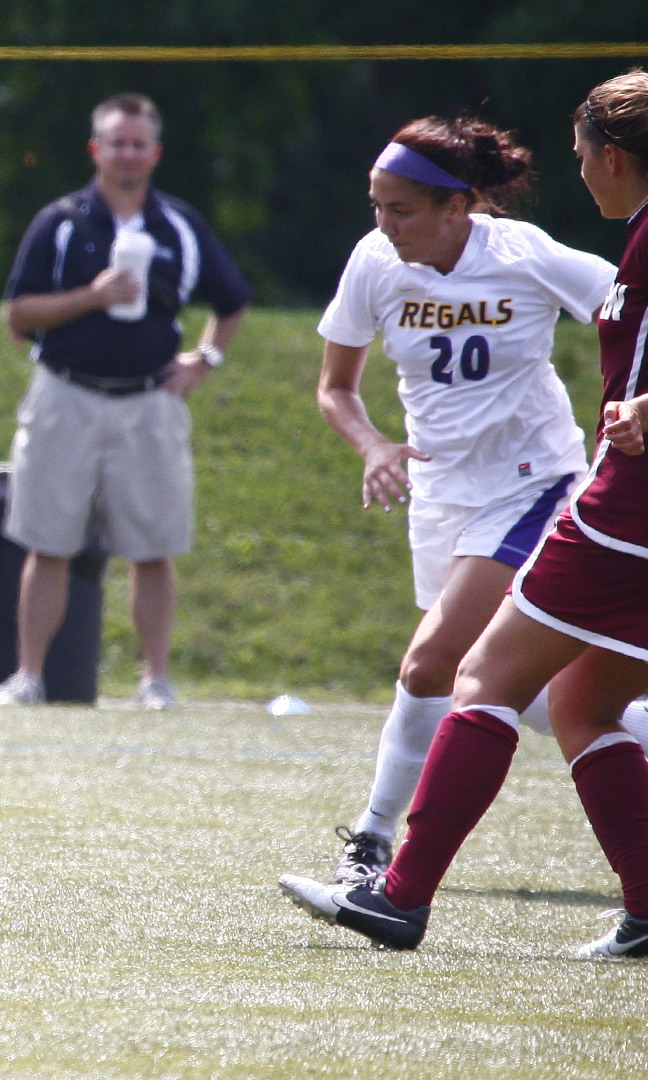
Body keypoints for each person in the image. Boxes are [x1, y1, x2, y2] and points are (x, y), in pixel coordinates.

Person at [280, 70, 648, 958]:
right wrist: (375, 447)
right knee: (578, 701)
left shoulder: (540, 252)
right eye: (375, 206)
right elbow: (334, 386)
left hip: (560, 494)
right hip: (446, 496)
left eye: (400, 208)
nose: (383, 225)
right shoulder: (377, 264)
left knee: (459, 671)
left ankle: (390, 878)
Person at [0, 93, 251, 709]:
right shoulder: (60, 222)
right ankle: (28, 677)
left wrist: (204, 359)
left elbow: (232, 300)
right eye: (116, 142)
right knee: (47, 541)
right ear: (95, 149)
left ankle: (154, 682)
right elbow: (17, 316)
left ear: (155, 153)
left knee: (152, 547)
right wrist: (92, 297)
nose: (127, 154)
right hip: (65, 394)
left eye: (138, 144)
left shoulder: (179, 226)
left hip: (149, 402)